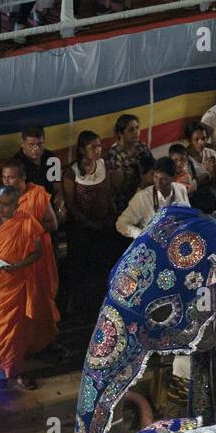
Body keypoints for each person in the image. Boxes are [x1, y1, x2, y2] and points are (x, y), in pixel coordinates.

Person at [0, 186, 52, 391]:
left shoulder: (27, 221)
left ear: (17, 206)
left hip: (17, 283)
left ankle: (14, 370)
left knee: (17, 330)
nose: (0, 207)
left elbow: (37, 252)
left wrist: (18, 266)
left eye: (6, 205)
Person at [62, 130, 124, 318]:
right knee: (81, 267)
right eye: (93, 147)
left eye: (99, 146)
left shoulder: (105, 165)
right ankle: (75, 306)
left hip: (104, 226)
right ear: (82, 149)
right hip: (82, 229)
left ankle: (102, 302)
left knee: (103, 264)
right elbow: (70, 204)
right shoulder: (71, 172)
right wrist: (87, 222)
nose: (98, 150)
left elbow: (110, 194)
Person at [116, 156, 190, 238]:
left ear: (173, 178)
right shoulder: (142, 197)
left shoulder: (180, 189)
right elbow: (121, 224)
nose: (158, 182)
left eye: (163, 179)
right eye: (155, 177)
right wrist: (142, 235)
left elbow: (188, 216)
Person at [8, 124, 66, 217]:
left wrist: (59, 204)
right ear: (22, 144)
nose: (36, 149)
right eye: (31, 145)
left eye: (40, 144)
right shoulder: (15, 166)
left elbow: (57, 188)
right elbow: (15, 197)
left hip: (51, 209)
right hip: (27, 212)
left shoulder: (52, 159)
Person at [106, 114, 155, 211]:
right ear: (120, 133)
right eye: (131, 130)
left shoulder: (141, 147)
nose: (136, 132)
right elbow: (118, 188)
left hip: (147, 193)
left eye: (137, 128)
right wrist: (142, 183)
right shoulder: (114, 154)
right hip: (126, 201)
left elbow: (154, 168)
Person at [186, 122, 216, 213]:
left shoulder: (210, 153)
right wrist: (206, 175)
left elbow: (215, 185)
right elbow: (187, 189)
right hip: (192, 205)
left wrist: (212, 172)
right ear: (189, 140)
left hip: (208, 202)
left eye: (203, 138)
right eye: (196, 139)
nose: (201, 142)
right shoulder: (184, 158)